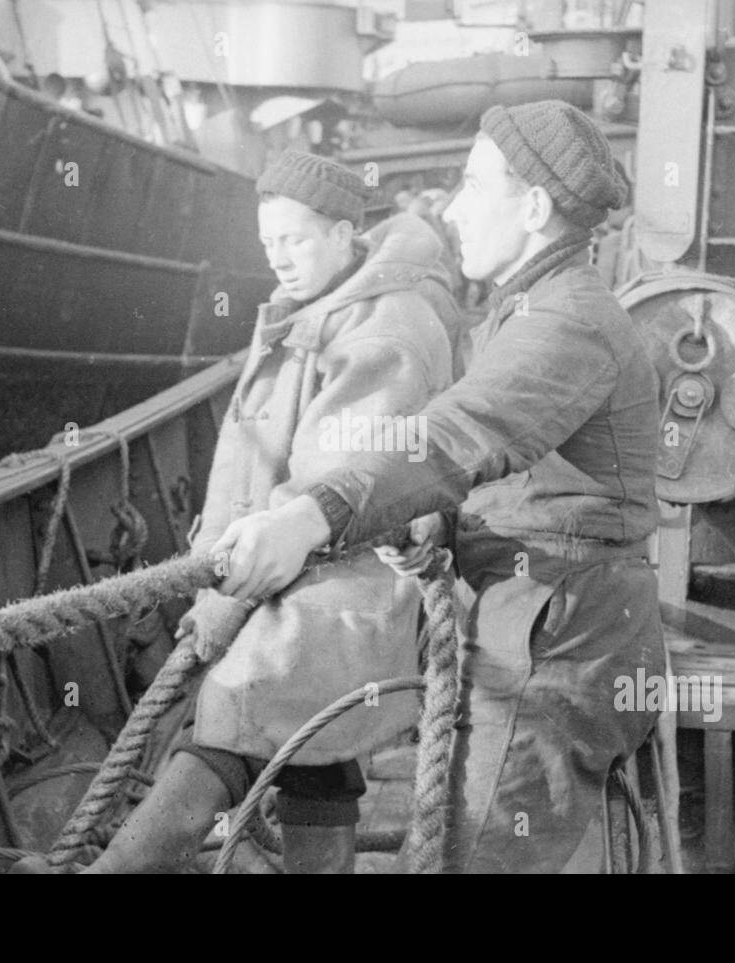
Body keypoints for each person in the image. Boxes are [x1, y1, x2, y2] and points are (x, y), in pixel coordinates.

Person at [208, 102, 667, 873]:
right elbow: (491, 466)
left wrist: (309, 516)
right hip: (542, 619)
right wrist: (431, 524)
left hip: (559, 642)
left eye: (470, 185)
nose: (451, 210)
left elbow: (456, 434)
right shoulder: (523, 311)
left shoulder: (568, 323)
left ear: (533, 208)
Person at [77, 150, 456, 874]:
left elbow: (333, 489)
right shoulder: (331, 302)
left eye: (297, 239)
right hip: (299, 580)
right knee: (312, 748)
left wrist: (222, 600)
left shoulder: (384, 329)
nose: (278, 258)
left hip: (334, 582)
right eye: (268, 242)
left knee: (233, 715)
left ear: (346, 234)